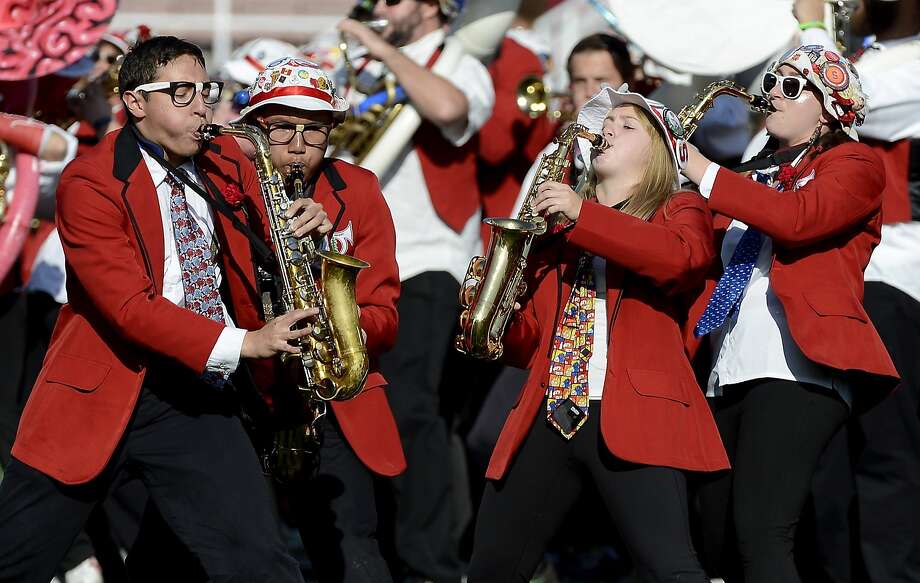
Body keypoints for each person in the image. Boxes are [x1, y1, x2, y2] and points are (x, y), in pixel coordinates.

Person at [0, 35, 319, 582]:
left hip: (195, 393)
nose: (203, 104)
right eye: (183, 91)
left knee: (260, 561)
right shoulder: (89, 181)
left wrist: (300, 221)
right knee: (17, 560)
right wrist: (246, 343)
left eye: (206, 89)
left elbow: (259, 243)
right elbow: (128, 306)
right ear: (136, 102)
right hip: (101, 388)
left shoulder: (224, 162)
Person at [467, 85, 727, 583]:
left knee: (670, 569)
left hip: (632, 410)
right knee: (492, 569)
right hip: (550, 407)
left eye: (628, 125)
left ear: (660, 152)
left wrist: (583, 215)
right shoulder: (561, 222)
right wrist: (493, 315)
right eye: (607, 124)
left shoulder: (679, 206)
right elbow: (533, 340)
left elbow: (679, 261)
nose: (609, 129)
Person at [681, 44, 900, 583]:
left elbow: (798, 219)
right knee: (714, 542)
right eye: (774, 82)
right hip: (723, 367)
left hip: (796, 368)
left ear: (827, 109)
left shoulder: (856, 164)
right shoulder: (752, 173)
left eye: (792, 86)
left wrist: (706, 172)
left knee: (761, 531)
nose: (773, 93)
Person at [336, 2, 495, 581]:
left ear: (434, 6)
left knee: (411, 410)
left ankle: (430, 563)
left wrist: (382, 51)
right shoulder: (363, 71)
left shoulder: (461, 62)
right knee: (361, 405)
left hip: (429, 260)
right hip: (358, 259)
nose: (379, 7)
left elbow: (450, 109)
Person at [235, 56, 405, 583]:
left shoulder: (359, 190)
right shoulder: (220, 186)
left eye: (315, 128)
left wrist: (326, 251)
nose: (298, 141)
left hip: (330, 398)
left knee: (354, 553)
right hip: (240, 393)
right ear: (252, 131)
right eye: (281, 126)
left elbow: (385, 317)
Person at [791, 1, 920, 579]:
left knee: (887, 458)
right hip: (832, 278)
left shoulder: (911, 67)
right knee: (824, 462)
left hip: (896, 280)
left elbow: (836, 97)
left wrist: (814, 25)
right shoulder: (862, 56)